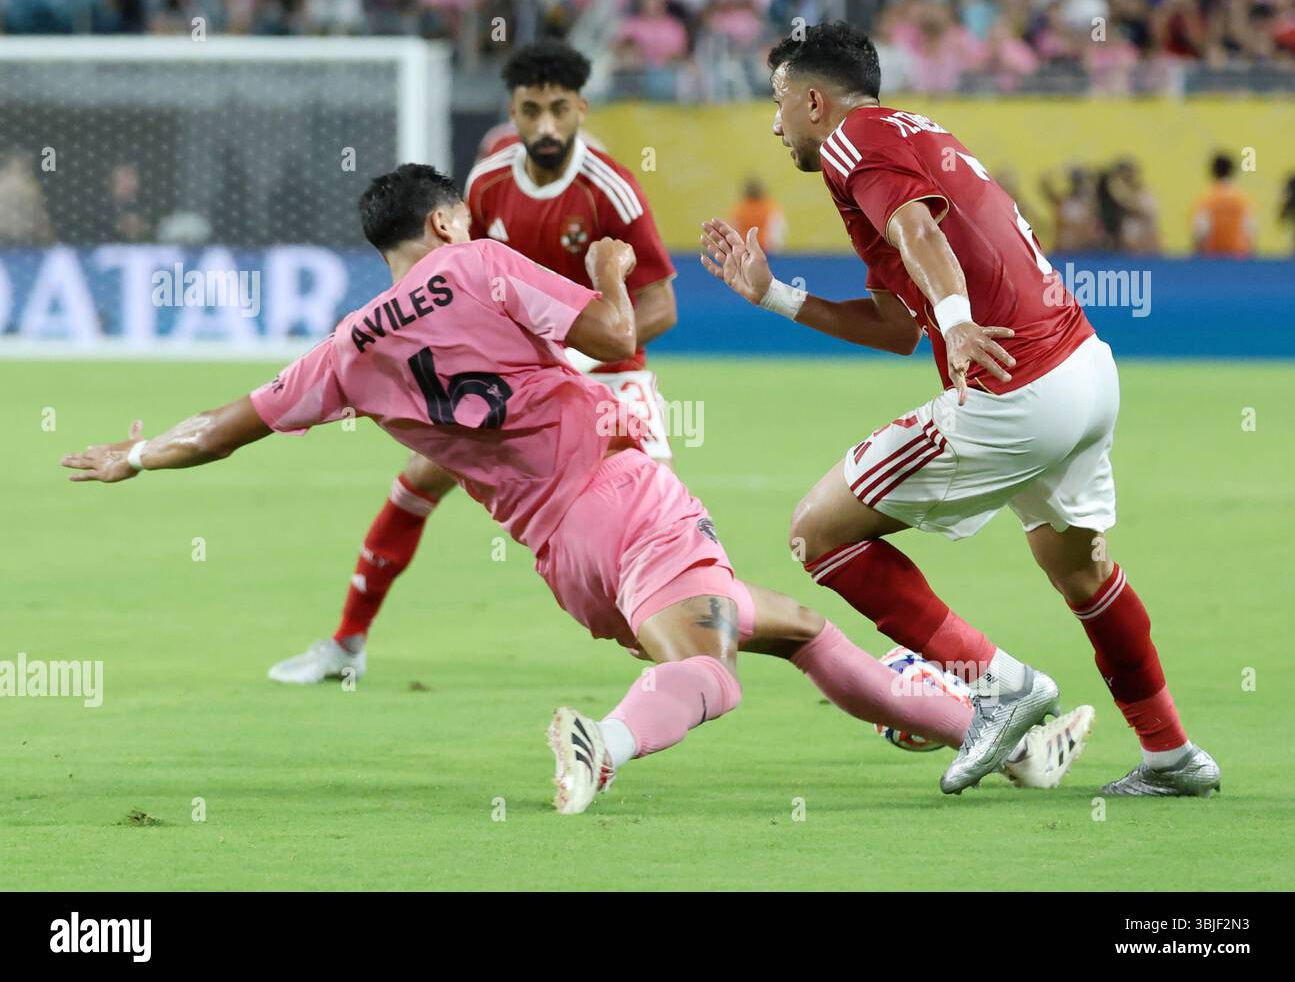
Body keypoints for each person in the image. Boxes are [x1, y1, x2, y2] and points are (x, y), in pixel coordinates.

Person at [60, 164, 1091, 813]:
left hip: (564, 563)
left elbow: (224, 430)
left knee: (793, 629)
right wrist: (603, 268)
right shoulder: (479, 267)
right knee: (714, 671)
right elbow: (616, 334)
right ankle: (605, 748)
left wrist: (137, 456)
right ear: (449, 218)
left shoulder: (342, 351)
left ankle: (1007, 745)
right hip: (622, 494)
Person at [700, 21, 1219, 797]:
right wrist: (776, 296)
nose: (776, 124)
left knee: (817, 534)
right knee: (1082, 573)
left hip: (1016, 390)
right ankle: (1172, 753)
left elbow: (916, 233)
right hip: (1084, 371)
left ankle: (997, 683)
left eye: (779, 103)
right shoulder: (913, 137)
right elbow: (894, 327)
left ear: (815, 100)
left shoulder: (853, 141)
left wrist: (955, 320)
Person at [269, 40, 679, 685]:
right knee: (416, 482)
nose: (545, 126)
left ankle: (694, 648)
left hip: (605, 370)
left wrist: (569, 349)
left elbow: (659, 309)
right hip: (512, 379)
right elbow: (452, 275)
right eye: (531, 109)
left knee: (649, 526)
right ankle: (346, 643)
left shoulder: (612, 190)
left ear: (581, 108)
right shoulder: (487, 180)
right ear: (511, 110)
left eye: (560, 110)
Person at [1192, 152, 1255, 256]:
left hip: (1213, 260)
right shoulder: (1242, 200)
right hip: (1239, 259)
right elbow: (1250, 233)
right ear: (1232, 171)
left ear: (1213, 171)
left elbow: (1201, 233)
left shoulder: (1207, 200)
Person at [730, 176, 787, 253]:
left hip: (745, 250)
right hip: (764, 250)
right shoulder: (769, 207)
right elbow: (777, 231)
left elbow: (733, 229)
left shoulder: (740, 209)